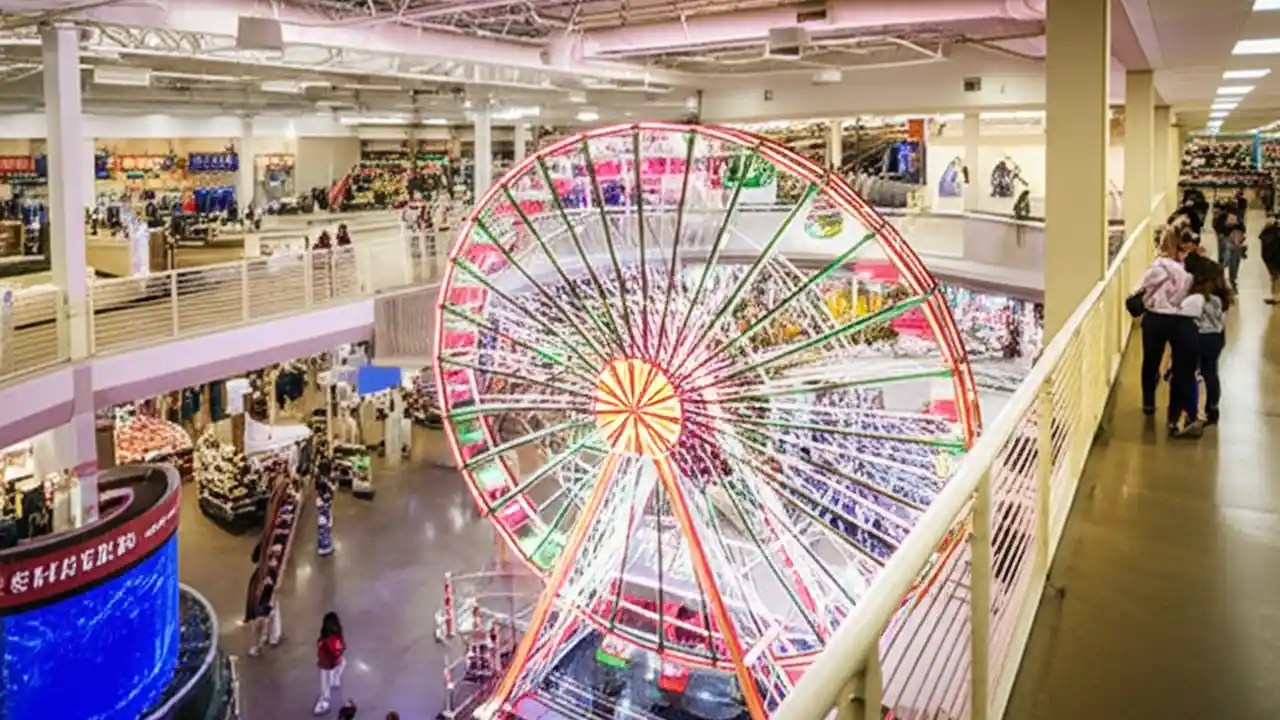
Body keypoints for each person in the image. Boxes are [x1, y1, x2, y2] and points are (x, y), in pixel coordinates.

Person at [1138, 227, 1196, 434]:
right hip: (1178, 320)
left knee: (1150, 361)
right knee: (1180, 367)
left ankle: (1148, 402)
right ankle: (1173, 415)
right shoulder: (1185, 273)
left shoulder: (1155, 269)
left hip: (1154, 319)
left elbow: (1144, 292)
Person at [314, 611, 348, 715]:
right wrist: (339, 657)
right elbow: (341, 648)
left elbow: (320, 647)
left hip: (325, 664)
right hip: (333, 662)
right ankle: (335, 680)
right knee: (343, 663)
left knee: (325, 685)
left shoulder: (325, 638)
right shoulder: (337, 636)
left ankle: (323, 705)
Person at [1220, 210, 1246, 293]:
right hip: (1231, 247)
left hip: (1232, 247)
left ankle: (1229, 282)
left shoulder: (1235, 229)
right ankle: (1230, 282)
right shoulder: (1237, 230)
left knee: (1229, 264)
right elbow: (1238, 241)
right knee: (1229, 264)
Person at [1261, 214, 1280, 305]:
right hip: (1272, 257)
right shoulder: (1271, 230)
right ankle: (1275, 296)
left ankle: (1276, 297)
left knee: (1275, 277)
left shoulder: (1270, 231)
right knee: (1275, 277)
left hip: (1272, 258)